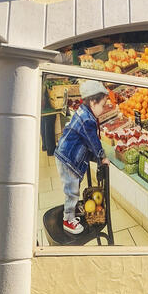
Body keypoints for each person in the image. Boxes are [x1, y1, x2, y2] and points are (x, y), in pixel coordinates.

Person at [54, 80, 111, 236]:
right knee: (71, 191)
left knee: (74, 186)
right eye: (103, 105)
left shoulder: (83, 112)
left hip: (68, 156)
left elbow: (85, 141)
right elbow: (93, 142)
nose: (104, 108)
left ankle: (71, 211)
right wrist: (102, 157)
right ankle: (68, 219)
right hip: (69, 160)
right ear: (93, 102)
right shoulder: (87, 120)